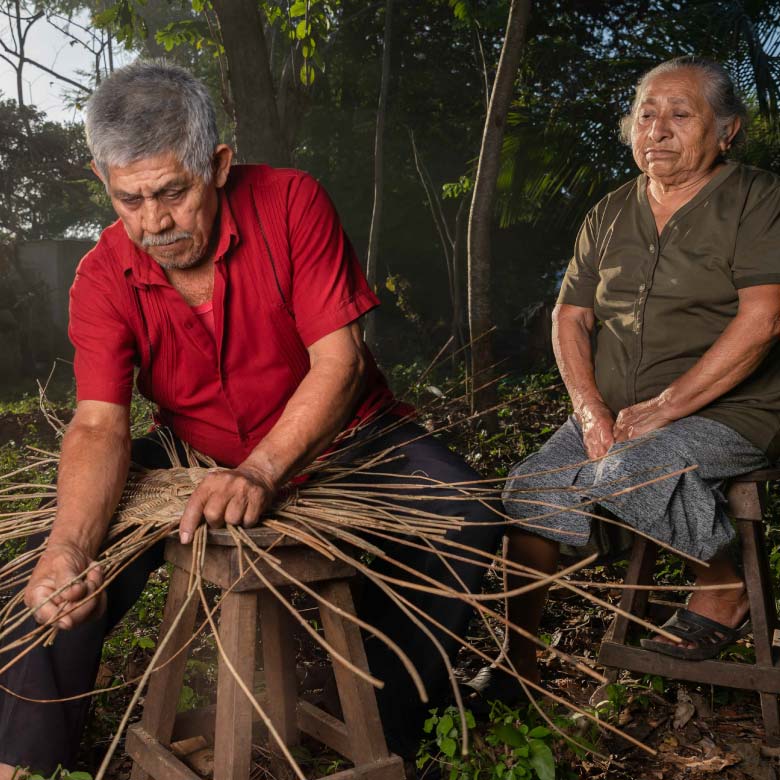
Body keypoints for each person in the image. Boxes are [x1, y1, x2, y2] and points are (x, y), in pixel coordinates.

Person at [0, 60, 502, 776]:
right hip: (192, 449)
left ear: (219, 162)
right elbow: (99, 424)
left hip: (346, 436)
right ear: (102, 181)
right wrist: (69, 547)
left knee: (469, 514)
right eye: (129, 200)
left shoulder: (293, 203)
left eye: (173, 192)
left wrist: (263, 468)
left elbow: (341, 364)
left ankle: (389, 717)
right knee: (53, 571)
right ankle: (19, 762)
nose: (154, 223)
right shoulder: (102, 273)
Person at [467, 55, 780, 702]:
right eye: (646, 114)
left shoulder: (758, 199)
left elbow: (765, 319)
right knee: (531, 486)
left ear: (727, 131)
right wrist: (586, 407)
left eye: (680, 114)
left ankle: (722, 584)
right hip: (616, 409)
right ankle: (515, 665)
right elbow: (570, 316)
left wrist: (669, 406)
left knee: (628, 467)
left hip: (735, 409)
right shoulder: (609, 213)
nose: (657, 129)